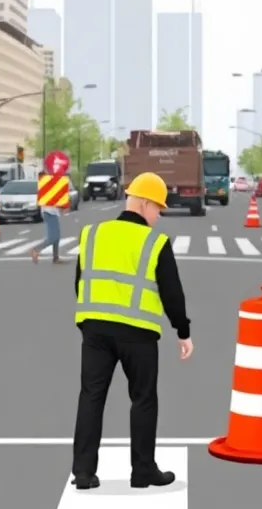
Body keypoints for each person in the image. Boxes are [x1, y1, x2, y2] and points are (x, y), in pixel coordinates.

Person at [71, 171, 193, 491]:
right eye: (157, 209)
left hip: (94, 330)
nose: (158, 216)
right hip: (138, 334)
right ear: (142, 203)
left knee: (91, 397)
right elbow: (172, 292)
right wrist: (183, 330)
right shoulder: (155, 242)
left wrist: (89, 318)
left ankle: (83, 472)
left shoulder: (92, 233)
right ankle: (142, 472)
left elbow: (80, 280)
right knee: (143, 400)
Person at [30, 170, 65, 264]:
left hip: (51, 212)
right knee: (52, 238)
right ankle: (36, 250)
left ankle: (56, 257)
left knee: (56, 237)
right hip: (49, 213)